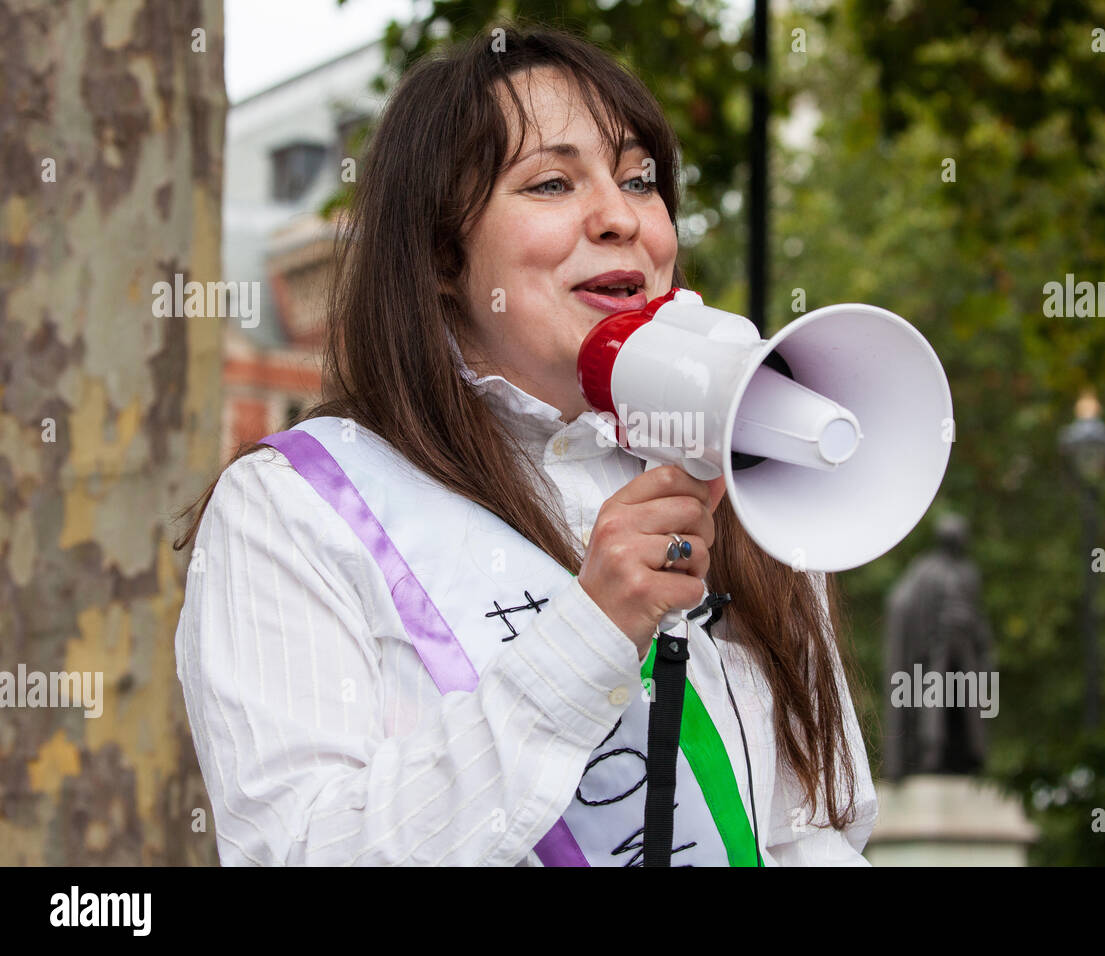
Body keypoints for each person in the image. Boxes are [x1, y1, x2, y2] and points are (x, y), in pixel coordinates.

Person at [174, 24, 876, 866]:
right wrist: (589, 634)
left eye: (640, 180)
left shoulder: (739, 486)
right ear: (440, 251)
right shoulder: (297, 506)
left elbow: (816, 834)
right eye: (551, 182)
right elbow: (303, 851)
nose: (620, 217)